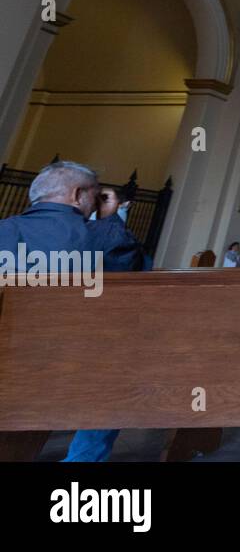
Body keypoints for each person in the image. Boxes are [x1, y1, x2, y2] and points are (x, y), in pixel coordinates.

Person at [0, 161, 144, 462]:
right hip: (72, 365)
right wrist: (113, 219)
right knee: (118, 370)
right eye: (95, 195)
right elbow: (137, 288)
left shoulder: (5, 230)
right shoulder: (104, 236)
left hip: (9, 362)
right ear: (78, 195)